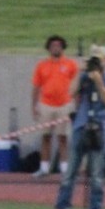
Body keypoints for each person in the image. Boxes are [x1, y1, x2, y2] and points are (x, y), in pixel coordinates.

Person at [50, 47, 105, 209]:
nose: (96, 64)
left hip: (99, 127)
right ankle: (61, 207)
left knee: (96, 172)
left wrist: (99, 82)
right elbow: (71, 93)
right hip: (81, 126)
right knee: (70, 171)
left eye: (98, 60)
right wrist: (79, 73)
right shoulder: (84, 78)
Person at [32, 35, 78, 177]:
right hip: (46, 104)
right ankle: (44, 167)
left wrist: (75, 104)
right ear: (49, 48)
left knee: (62, 136)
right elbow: (36, 86)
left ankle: (64, 168)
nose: (55, 48)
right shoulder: (42, 65)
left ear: (62, 47)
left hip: (64, 104)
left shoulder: (70, 64)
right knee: (45, 136)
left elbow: (76, 85)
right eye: (53, 46)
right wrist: (34, 105)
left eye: (58, 45)